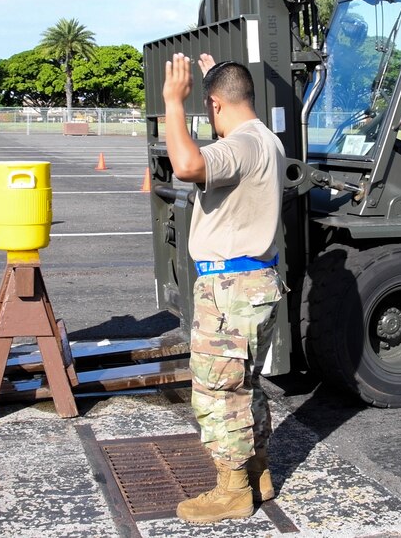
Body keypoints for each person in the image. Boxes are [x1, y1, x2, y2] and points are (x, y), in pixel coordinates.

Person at [162, 52, 286, 524]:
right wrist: (215, 80)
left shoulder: (243, 144)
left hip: (230, 287)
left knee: (218, 390)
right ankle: (257, 471)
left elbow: (188, 165)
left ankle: (232, 490)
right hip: (255, 281)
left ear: (215, 105)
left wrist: (174, 102)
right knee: (244, 384)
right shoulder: (266, 140)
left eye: (207, 109)